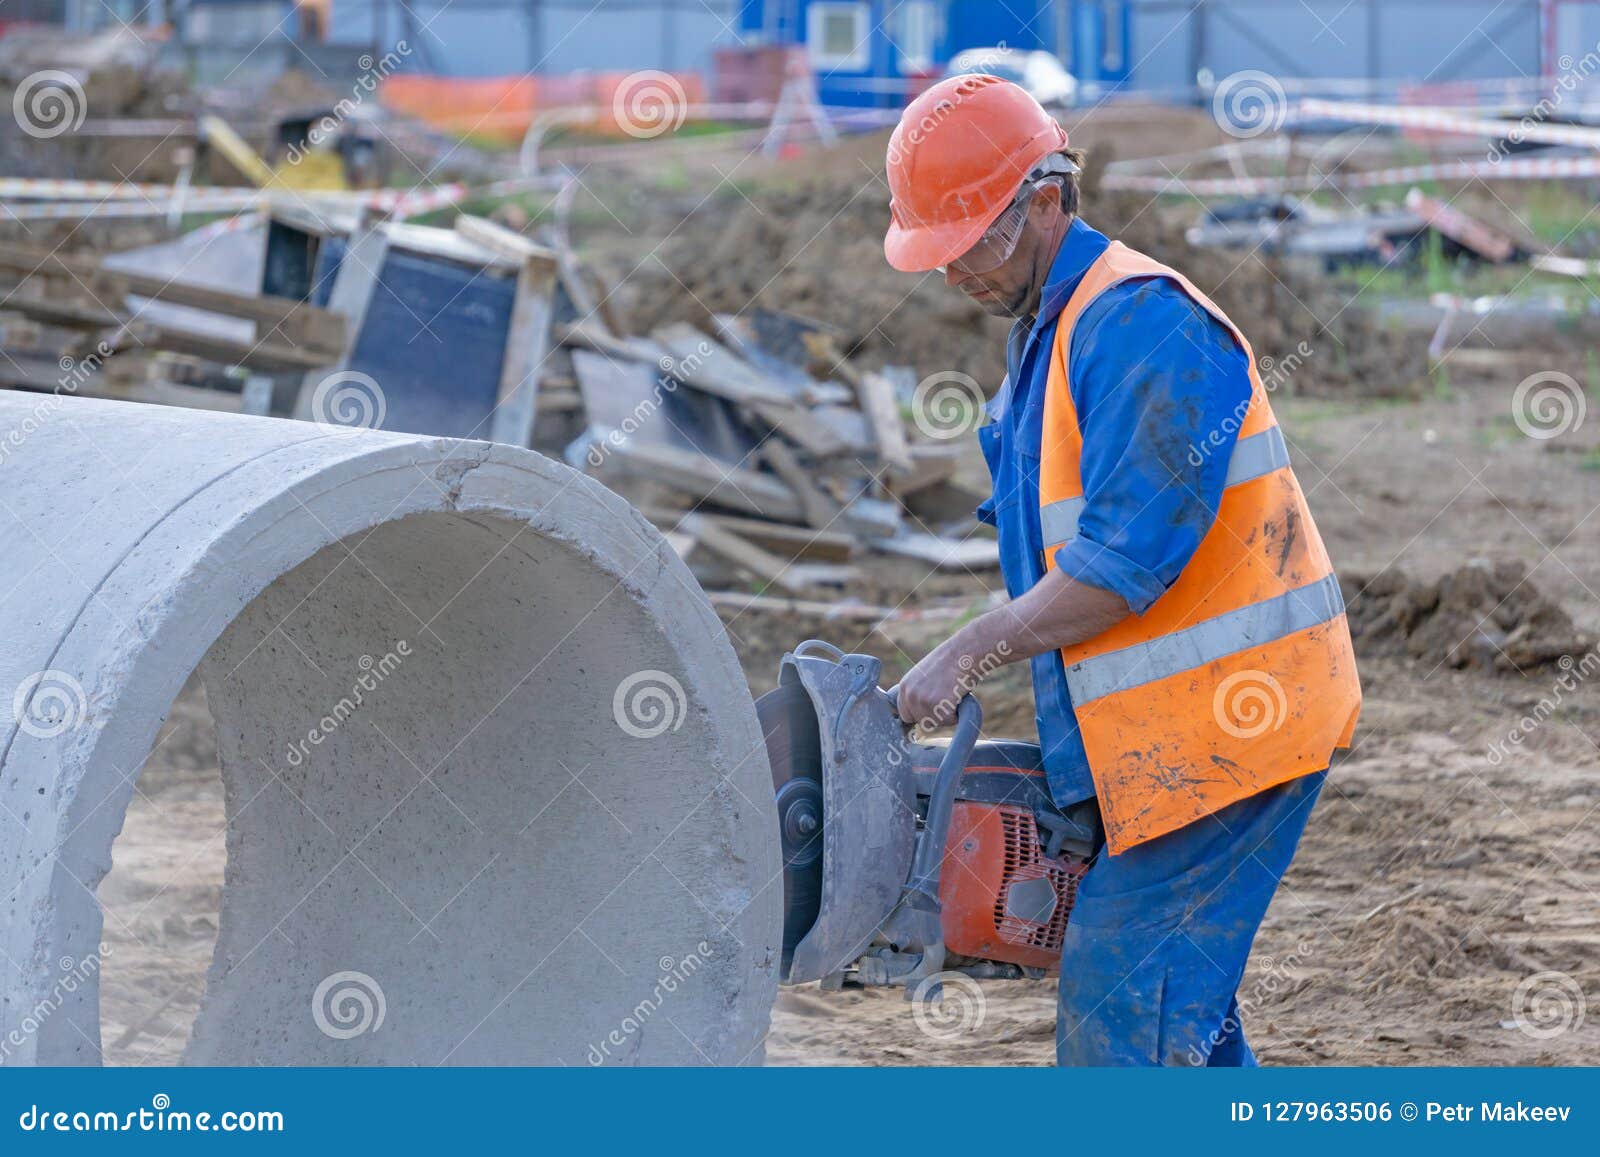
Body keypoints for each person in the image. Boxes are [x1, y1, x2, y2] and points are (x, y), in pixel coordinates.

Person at [884, 75, 1361, 1066]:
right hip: (1158, 732)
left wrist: (964, 653)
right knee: (1180, 1009)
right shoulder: (1047, 333)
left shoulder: (1142, 325)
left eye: (971, 239)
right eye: (939, 250)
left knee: (1124, 990)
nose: (953, 273)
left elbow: (1111, 573)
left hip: (1234, 724)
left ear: (1047, 198)